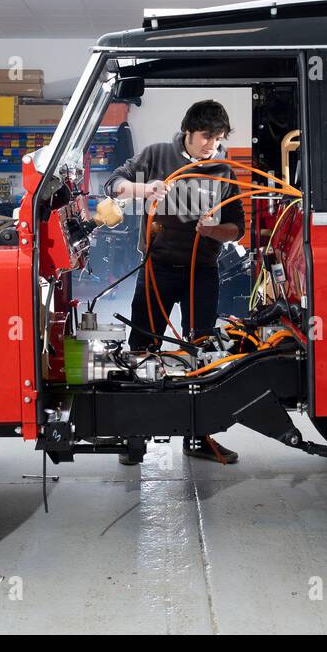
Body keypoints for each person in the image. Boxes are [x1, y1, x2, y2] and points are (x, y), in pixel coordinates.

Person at [106, 100, 245, 464]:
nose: (211, 144)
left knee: (201, 352)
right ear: (188, 131)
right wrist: (144, 190)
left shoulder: (223, 169)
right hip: (158, 267)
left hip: (203, 270)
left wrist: (214, 230)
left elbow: (238, 227)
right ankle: (133, 438)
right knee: (142, 347)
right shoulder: (156, 156)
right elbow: (113, 185)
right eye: (205, 136)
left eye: (218, 137)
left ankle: (199, 438)